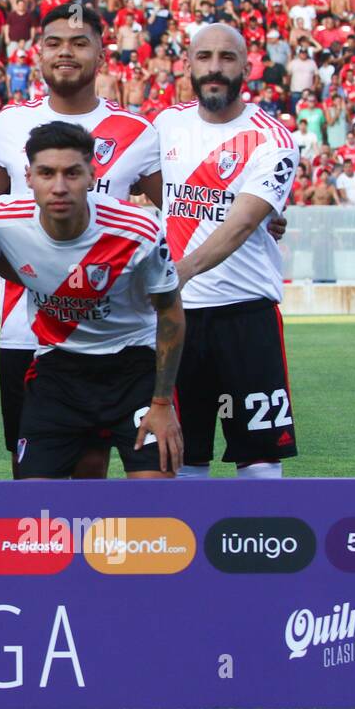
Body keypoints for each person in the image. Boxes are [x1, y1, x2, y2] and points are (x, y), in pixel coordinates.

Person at [0, 3, 164, 478]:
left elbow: (180, 214)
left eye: (79, 42)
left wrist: (267, 220)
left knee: (95, 469)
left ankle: (93, 552)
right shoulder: (10, 123)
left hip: (114, 336)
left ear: (101, 53)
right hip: (26, 333)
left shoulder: (136, 131)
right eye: (53, 42)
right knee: (37, 478)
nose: (65, 52)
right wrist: (35, 275)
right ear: (38, 53)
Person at [0, 122, 184, 478]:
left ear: (92, 175)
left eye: (72, 173)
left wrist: (162, 402)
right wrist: (32, 275)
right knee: (34, 509)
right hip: (58, 370)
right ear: (28, 177)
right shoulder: (0, 219)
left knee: (157, 497)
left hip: (133, 370)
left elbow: (170, 312)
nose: (59, 187)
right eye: (46, 173)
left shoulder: (137, 229)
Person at [155, 23, 300, 479]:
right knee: (181, 454)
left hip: (246, 313)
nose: (215, 68)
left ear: (247, 66)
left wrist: (180, 270)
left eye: (227, 57)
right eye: (204, 57)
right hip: (179, 317)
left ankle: (260, 544)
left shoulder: (272, 137)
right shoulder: (164, 125)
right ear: (188, 65)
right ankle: (182, 549)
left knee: (258, 456)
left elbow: (240, 224)